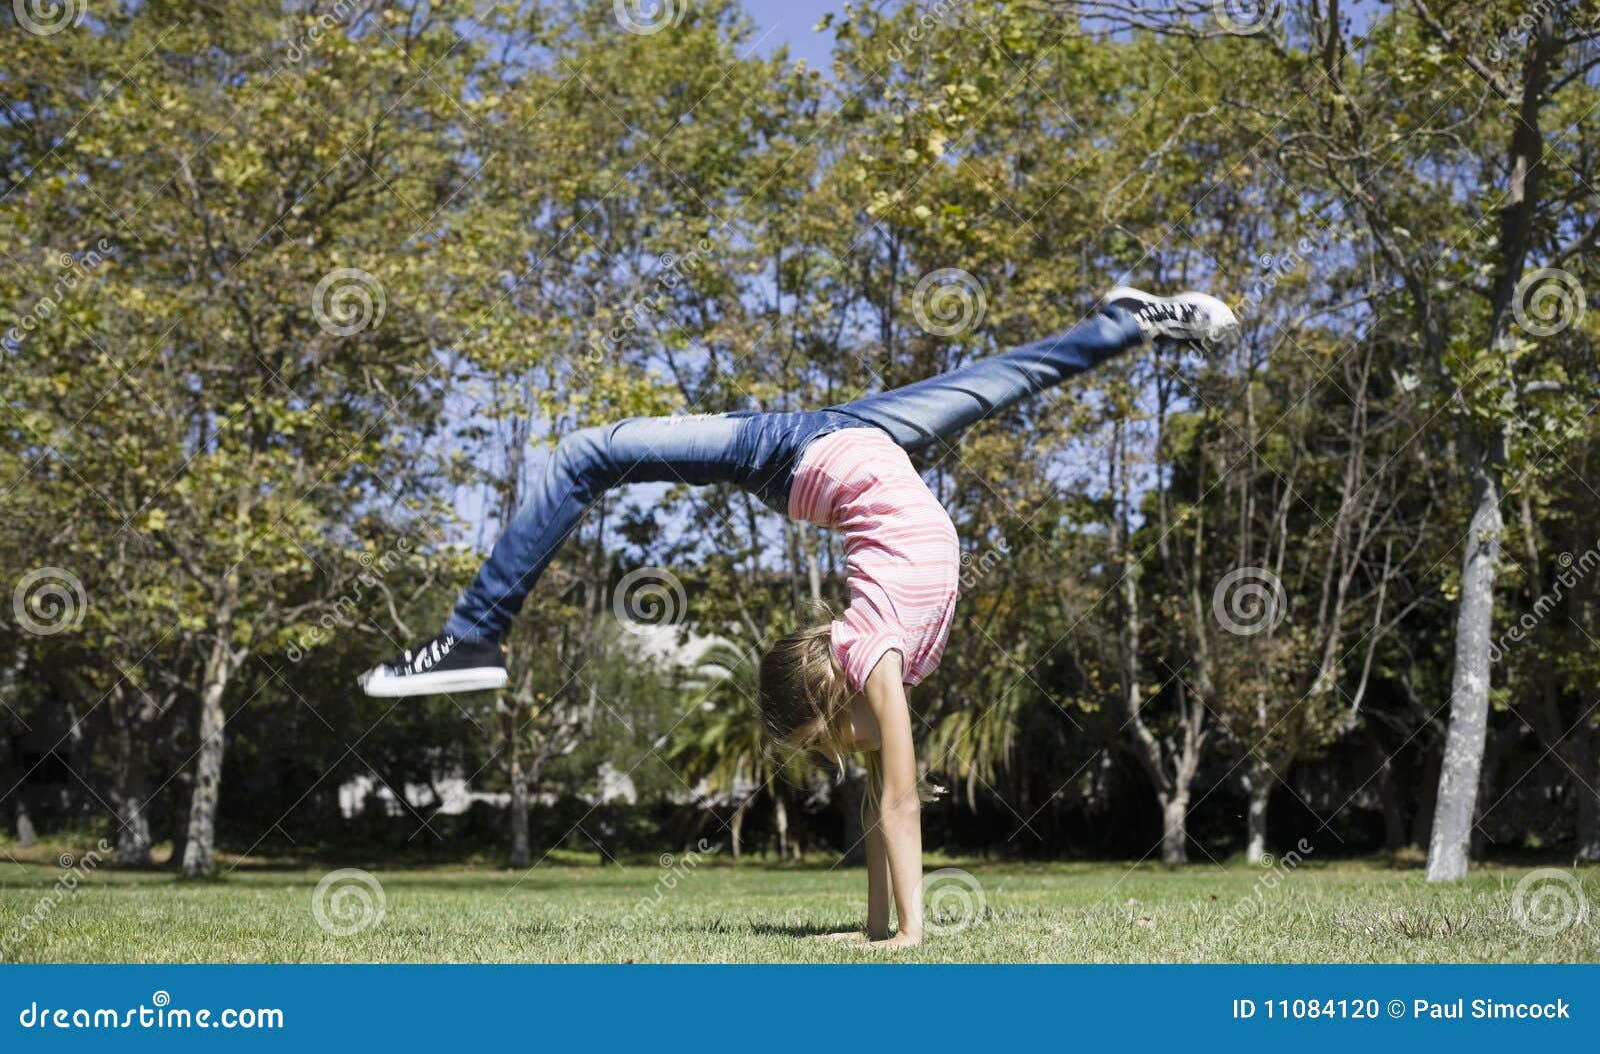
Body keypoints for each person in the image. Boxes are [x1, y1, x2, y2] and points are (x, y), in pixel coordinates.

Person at [358, 284, 1239, 945]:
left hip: (795, 449)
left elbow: (900, 803)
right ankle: (1126, 320)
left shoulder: (873, 650)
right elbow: (876, 803)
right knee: (1004, 380)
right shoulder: (883, 662)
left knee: (588, 453)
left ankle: (475, 633)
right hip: (869, 439)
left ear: (826, 686)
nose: (836, 752)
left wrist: (912, 935)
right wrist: (872, 928)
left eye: (821, 739)